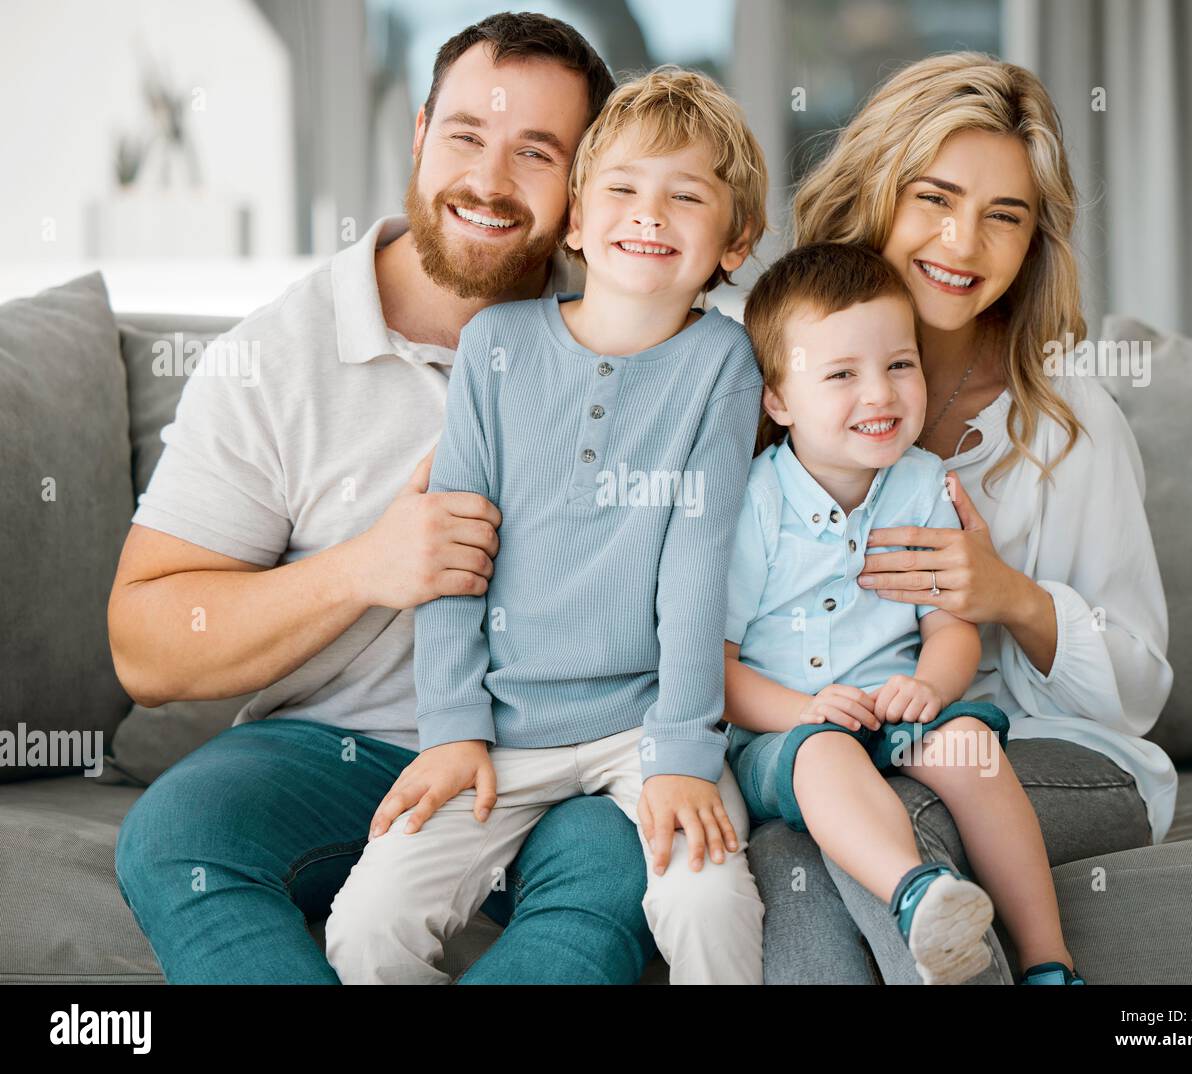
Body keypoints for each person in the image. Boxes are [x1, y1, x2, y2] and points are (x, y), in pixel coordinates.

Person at [110, 12, 663, 985]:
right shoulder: (276, 356)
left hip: (563, 761)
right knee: (177, 839)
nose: (489, 183)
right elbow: (144, 642)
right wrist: (361, 570)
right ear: (417, 134)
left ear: (583, 187)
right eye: (464, 137)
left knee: (618, 882)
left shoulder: (641, 328)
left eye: (536, 153)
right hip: (332, 752)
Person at [324, 65, 769, 986]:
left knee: (710, 904)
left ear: (736, 241)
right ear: (575, 219)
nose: (650, 215)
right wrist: (452, 728)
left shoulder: (724, 362)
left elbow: (696, 566)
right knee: (366, 926)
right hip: (500, 730)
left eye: (687, 197)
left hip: (643, 730)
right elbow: (457, 545)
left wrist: (685, 750)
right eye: (622, 190)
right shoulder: (499, 343)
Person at [747, 52, 1176, 985]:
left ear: (1032, 244)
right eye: (934, 198)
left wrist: (1012, 597)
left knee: (899, 827)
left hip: (1053, 753)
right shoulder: (783, 382)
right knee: (788, 850)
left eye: (1004, 217)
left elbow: (1140, 692)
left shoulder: (1070, 424)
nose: (963, 241)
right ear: (877, 193)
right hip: (848, 744)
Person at [726, 240, 1082, 985]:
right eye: (842, 375)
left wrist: (931, 687)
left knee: (969, 751)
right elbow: (715, 668)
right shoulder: (754, 504)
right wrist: (804, 709)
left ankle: (1050, 961)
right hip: (785, 736)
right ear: (779, 399)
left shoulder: (925, 484)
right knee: (825, 749)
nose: (881, 395)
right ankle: (914, 891)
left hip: (898, 714)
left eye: (899, 364)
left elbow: (951, 624)